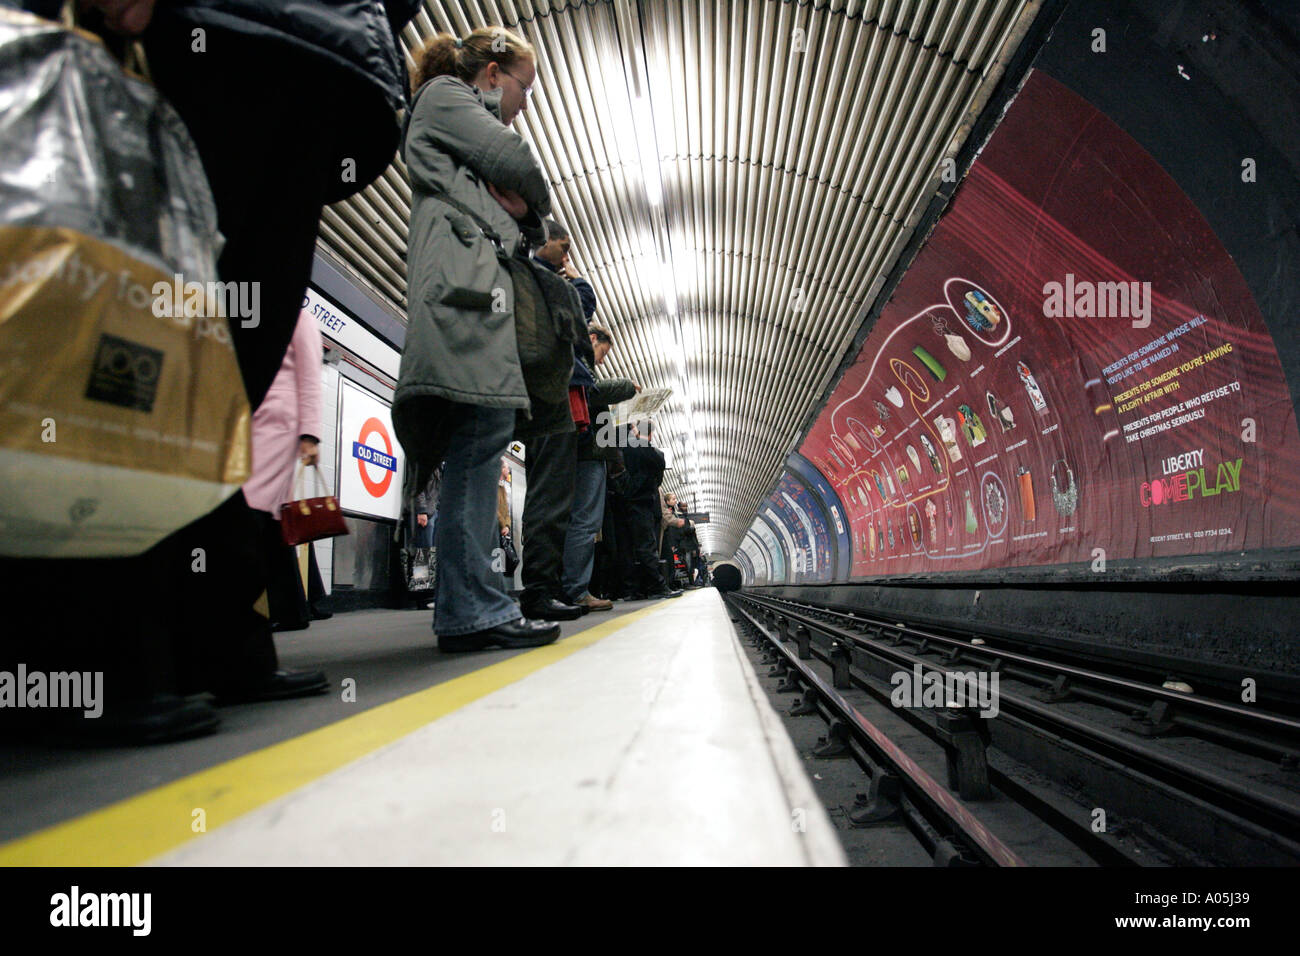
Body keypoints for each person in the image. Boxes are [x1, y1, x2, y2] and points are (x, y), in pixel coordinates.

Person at [0, 0, 418, 742]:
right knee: (144, 355)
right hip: (215, 35)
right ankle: (77, 660)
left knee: (221, 380)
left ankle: (213, 643)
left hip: (317, 65)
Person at [393, 26, 560, 653]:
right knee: (478, 438)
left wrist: (521, 212)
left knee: (480, 438)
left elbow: (511, 190)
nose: (524, 103)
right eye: (523, 87)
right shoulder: (446, 96)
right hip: (462, 289)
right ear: (493, 73)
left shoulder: (463, 117)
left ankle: (472, 607)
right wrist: (527, 206)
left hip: (472, 285)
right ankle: (470, 610)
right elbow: (518, 166)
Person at [515, 220, 602, 621]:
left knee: (554, 497)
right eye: (562, 246)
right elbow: (578, 306)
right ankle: (537, 592)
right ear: (542, 242)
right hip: (552, 396)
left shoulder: (537, 276)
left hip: (556, 395)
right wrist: (581, 280)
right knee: (549, 496)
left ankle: (543, 589)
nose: (567, 255)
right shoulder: (537, 276)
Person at [246, 308, 329, 641]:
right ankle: (291, 608)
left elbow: (310, 377)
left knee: (252, 511)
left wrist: (310, 434)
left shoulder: (300, 317)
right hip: (250, 420)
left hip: (278, 426)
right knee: (270, 521)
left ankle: (254, 611)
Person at [562, 326, 637, 611]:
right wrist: (627, 388)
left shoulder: (576, 360)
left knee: (576, 521)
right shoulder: (578, 363)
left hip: (581, 452)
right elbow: (591, 393)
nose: (603, 360)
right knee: (584, 521)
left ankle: (572, 587)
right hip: (586, 454)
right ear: (593, 339)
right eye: (604, 352)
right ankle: (576, 590)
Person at [611, 422, 682, 600]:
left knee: (625, 548)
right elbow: (657, 467)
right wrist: (640, 438)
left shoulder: (616, 446)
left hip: (618, 501)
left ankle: (631, 590)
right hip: (640, 501)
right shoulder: (648, 451)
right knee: (646, 545)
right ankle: (656, 586)